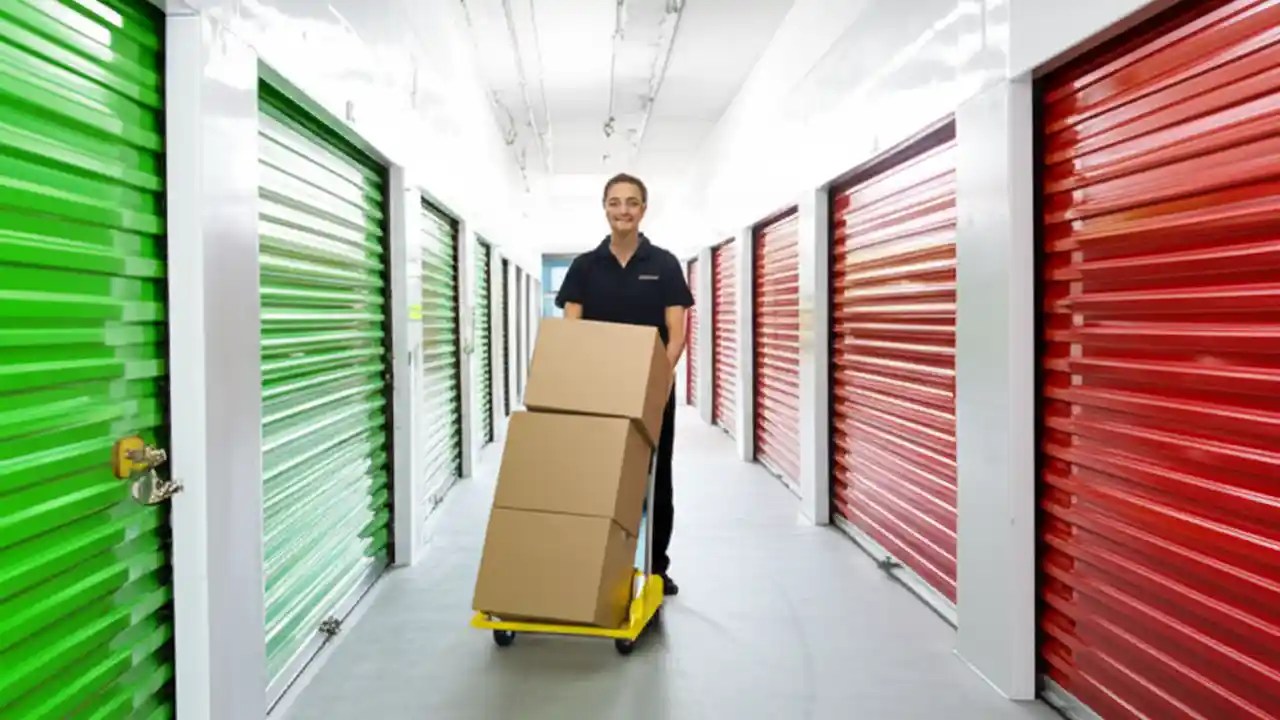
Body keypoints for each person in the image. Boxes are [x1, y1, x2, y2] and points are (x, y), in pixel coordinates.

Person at [554, 172, 694, 596]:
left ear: (643, 209)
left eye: (632, 202)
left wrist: (660, 379)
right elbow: (572, 329)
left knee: (655, 478)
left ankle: (655, 567)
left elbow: (678, 331)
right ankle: (598, 564)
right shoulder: (583, 267)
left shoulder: (665, 264)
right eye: (615, 202)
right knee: (598, 475)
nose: (623, 210)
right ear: (605, 208)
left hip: (651, 392)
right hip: (598, 391)